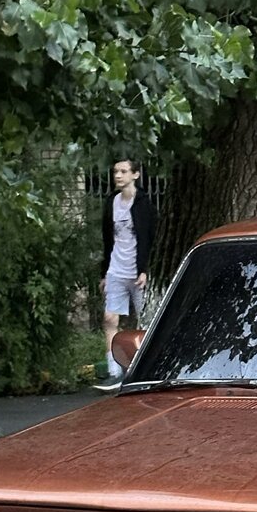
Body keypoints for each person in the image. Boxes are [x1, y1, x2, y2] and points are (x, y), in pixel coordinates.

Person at [97, 157, 155, 389]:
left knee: (146, 321)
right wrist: (104, 273)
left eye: (123, 171)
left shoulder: (144, 204)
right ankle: (114, 371)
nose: (118, 176)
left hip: (137, 273)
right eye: (115, 172)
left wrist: (145, 269)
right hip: (116, 270)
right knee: (109, 319)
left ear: (135, 175)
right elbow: (107, 239)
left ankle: (146, 369)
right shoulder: (111, 202)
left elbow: (150, 238)